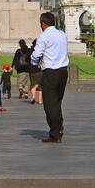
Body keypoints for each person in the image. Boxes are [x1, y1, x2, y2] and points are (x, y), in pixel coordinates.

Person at [30, 12, 69, 143]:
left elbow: (36, 54)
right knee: (57, 102)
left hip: (50, 72)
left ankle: (55, 132)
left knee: (49, 104)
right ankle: (59, 128)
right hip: (63, 72)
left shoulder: (44, 36)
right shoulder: (62, 34)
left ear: (43, 24)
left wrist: (34, 63)